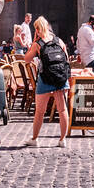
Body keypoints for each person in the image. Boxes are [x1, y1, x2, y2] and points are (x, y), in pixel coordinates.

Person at [22, 16, 69, 147]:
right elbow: (66, 59)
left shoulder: (38, 44)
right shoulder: (59, 41)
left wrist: (33, 45)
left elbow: (26, 59)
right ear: (48, 26)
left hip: (45, 80)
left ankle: (35, 139)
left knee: (40, 111)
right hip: (60, 78)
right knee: (62, 110)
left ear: (37, 29)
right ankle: (62, 140)